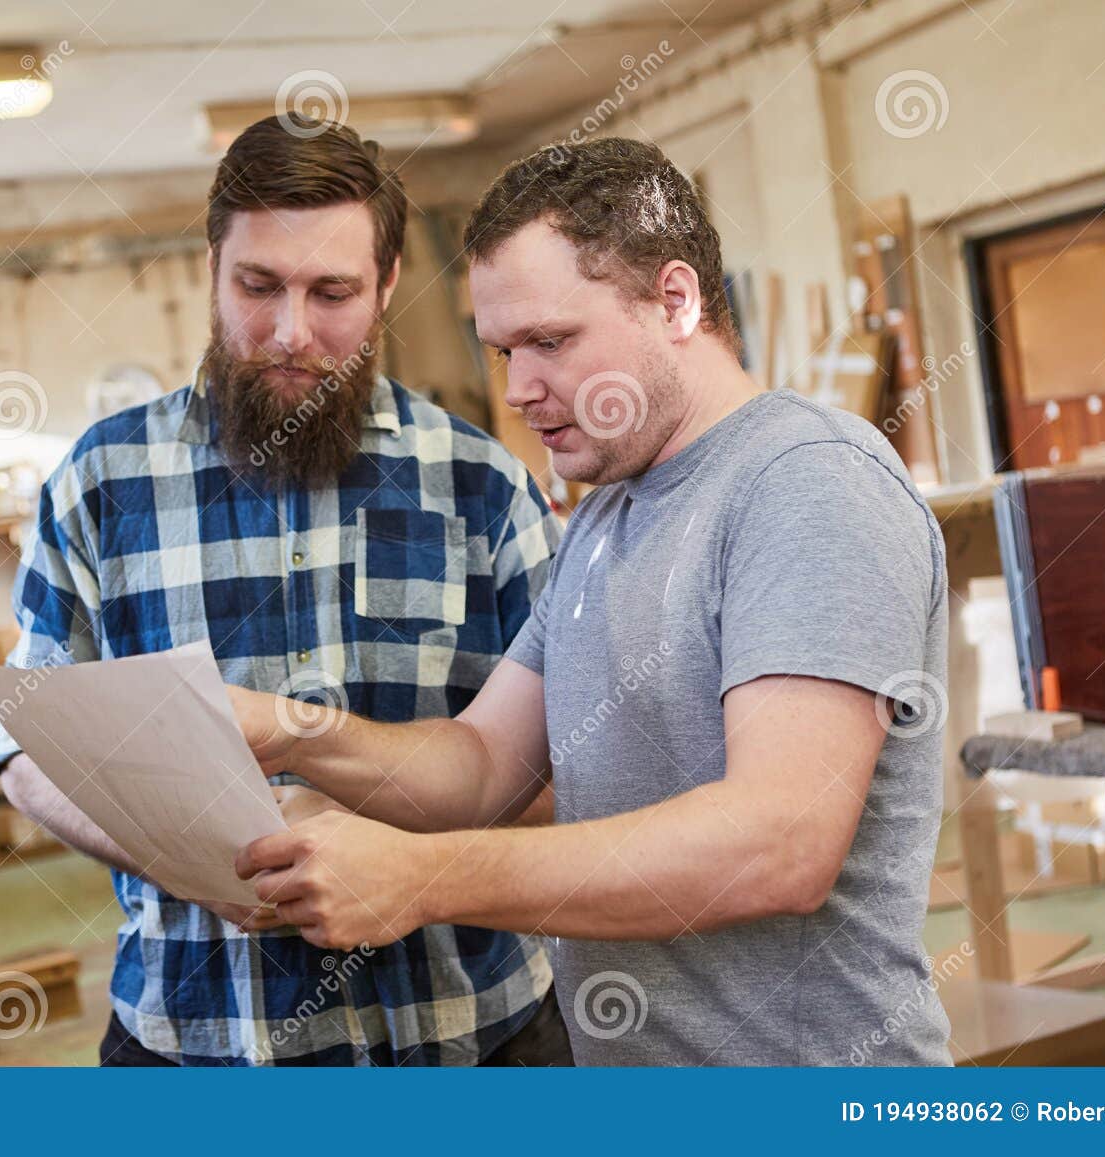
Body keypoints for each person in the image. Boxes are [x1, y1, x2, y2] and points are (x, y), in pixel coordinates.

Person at [229, 137, 952, 1066]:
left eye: (551, 342)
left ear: (676, 301)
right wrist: (288, 733)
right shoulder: (607, 514)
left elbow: (779, 840)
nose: (519, 389)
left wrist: (425, 877)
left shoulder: (807, 483)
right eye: (502, 350)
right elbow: (485, 764)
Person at [0, 114, 572, 1066]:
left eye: (333, 292)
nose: (292, 332)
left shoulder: (481, 486)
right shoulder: (100, 484)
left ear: (387, 289)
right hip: (195, 1042)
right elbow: (32, 736)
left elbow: (558, 772)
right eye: (259, 286)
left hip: (470, 1035)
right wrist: (191, 859)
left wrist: (395, 849)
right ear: (210, 267)